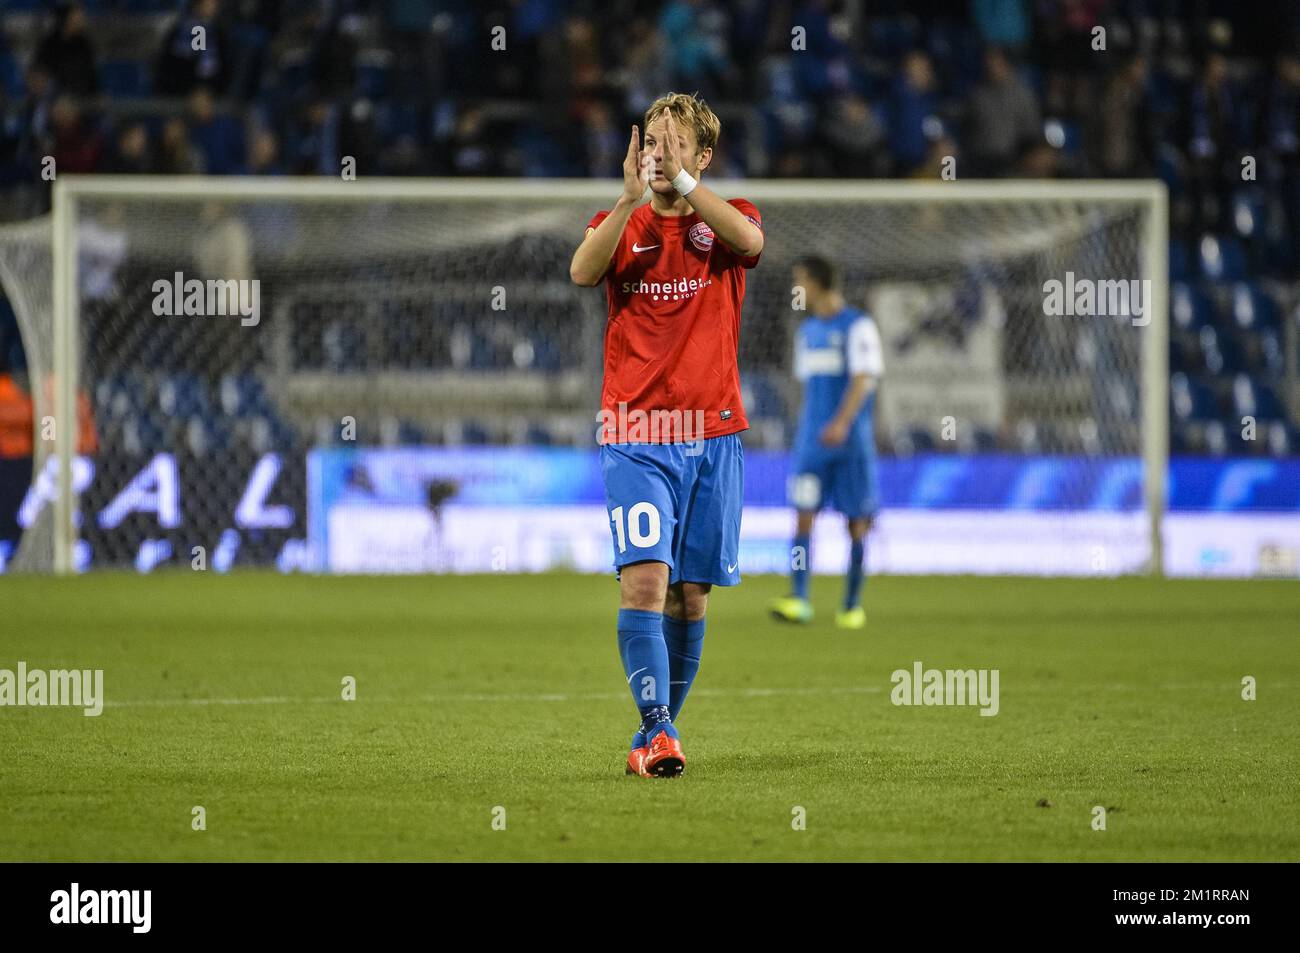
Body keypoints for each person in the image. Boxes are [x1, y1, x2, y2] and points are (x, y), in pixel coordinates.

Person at [569, 92, 763, 778]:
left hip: (714, 434)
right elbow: (581, 271)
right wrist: (626, 201)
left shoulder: (728, 222)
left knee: (691, 595)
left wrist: (685, 186)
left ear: (703, 157)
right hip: (638, 431)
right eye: (651, 140)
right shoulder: (619, 225)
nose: (657, 152)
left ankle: (652, 733)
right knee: (647, 583)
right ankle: (657, 732)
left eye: (674, 142)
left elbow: (752, 243)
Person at [769, 256, 883, 630]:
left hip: (850, 442)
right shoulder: (807, 332)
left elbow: (864, 379)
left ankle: (851, 605)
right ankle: (799, 598)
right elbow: (808, 389)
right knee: (803, 517)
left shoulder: (858, 327)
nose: (795, 289)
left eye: (800, 280)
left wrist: (841, 422)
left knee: (856, 522)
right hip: (812, 444)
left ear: (817, 283)